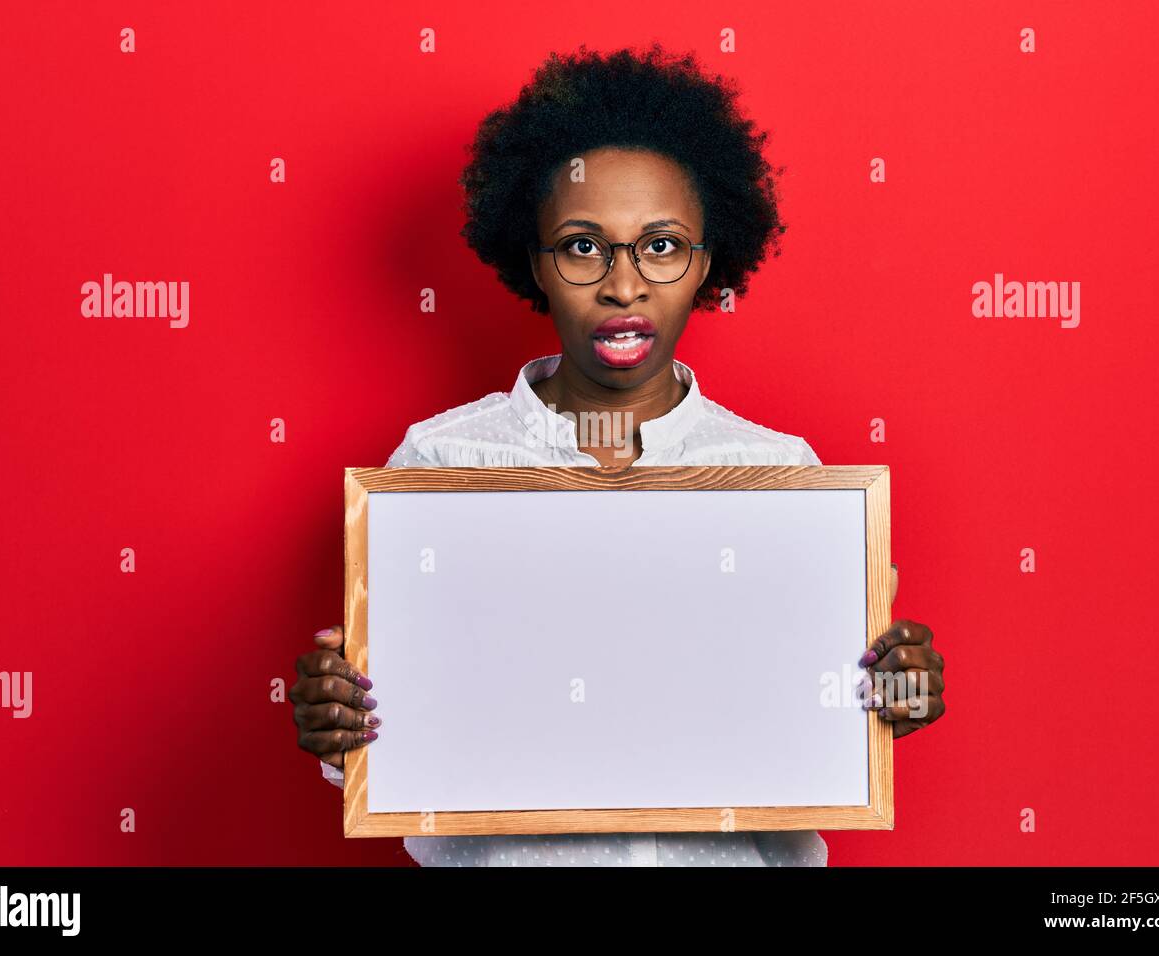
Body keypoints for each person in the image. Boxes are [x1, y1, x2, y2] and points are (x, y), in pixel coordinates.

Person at [291, 43, 946, 867]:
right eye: (582, 245)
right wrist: (335, 725)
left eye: (663, 246)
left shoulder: (783, 476)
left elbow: (831, 714)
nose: (624, 285)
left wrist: (896, 694)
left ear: (709, 260)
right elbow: (388, 740)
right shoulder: (438, 463)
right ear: (533, 260)